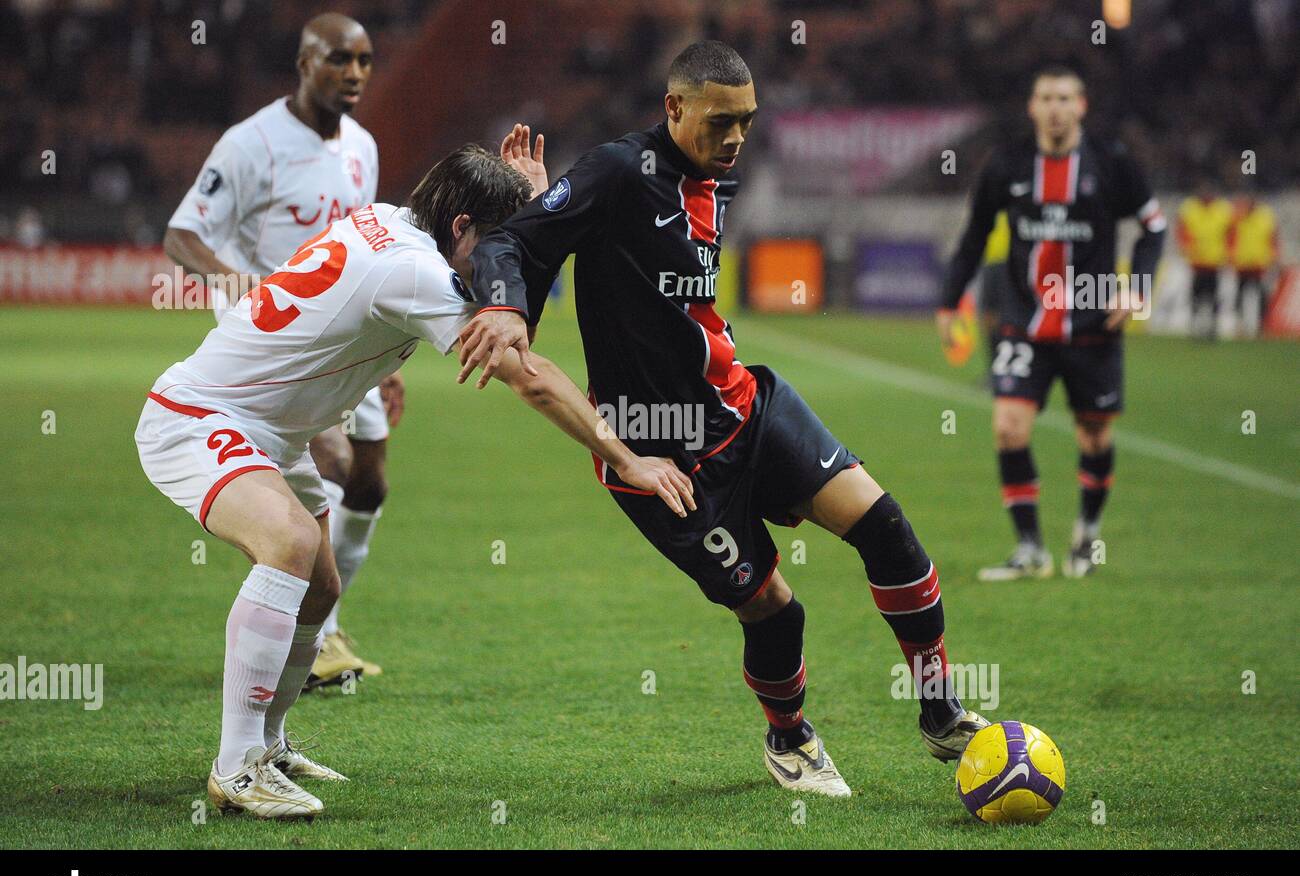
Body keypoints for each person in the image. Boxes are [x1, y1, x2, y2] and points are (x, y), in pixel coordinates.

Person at [460, 41, 988, 798]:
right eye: (720, 121)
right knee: (775, 607)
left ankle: (940, 710)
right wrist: (511, 299)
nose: (736, 137)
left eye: (746, 120)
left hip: (747, 405)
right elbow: (510, 241)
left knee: (888, 531)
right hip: (659, 458)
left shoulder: (712, 179)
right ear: (673, 107)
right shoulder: (616, 171)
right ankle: (790, 739)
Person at [137, 141, 689, 819]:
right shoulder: (416, 272)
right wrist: (626, 457)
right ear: (461, 227)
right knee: (287, 542)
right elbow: (525, 368)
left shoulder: (387, 224)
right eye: (495, 246)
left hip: (268, 429)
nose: (498, 265)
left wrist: (534, 219)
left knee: (319, 585)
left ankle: (270, 745)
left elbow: (403, 308)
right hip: (197, 418)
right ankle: (236, 766)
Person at [163, 13, 388, 686]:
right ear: (304, 63)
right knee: (327, 469)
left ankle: (323, 626)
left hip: (349, 340)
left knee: (370, 482)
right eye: (338, 60)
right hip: (282, 349)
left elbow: (364, 250)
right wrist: (242, 286)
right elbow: (183, 235)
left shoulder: (362, 147)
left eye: (365, 61)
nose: (353, 74)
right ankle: (313, 638)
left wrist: (386, 356)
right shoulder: (250, 143)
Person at [937, 65, 1165, 580]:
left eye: (1065, 98)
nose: (1056, 107)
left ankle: (1086, 532)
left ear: (1081, 106)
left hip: (1094, 326)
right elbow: (974, 236)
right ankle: (1031, 548)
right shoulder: (1008, 164)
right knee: (1008, 428)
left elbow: (1154, 226)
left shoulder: (1112, 162)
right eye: (1046, 98)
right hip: (1024, 323)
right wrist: (950, 301)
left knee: (1094, 438)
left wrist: (1140, 285)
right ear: (1032, 106)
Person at [1176, 179, 1233, 340]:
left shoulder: (1223, 209)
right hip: (1197, 261)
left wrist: (1229, 253)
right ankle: (1195, 326)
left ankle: (1212, 327)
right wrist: (1186, 247)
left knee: (1214, 297)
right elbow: (1182, 230)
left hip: (1215, 261)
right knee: (1196, 297)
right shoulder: (1190, 208)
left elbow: (1231, 233)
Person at [1227, 190, 1278, 337]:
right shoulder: (1237, 216)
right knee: (1240, 296)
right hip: (1241, 263)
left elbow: (1272, 238)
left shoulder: (1265, 216)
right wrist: (1230, 256)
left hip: (1259, 264)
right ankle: (1240, 325)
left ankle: (1262, 326)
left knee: (1262, 296)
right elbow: (1230, 237)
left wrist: (1274, 256)